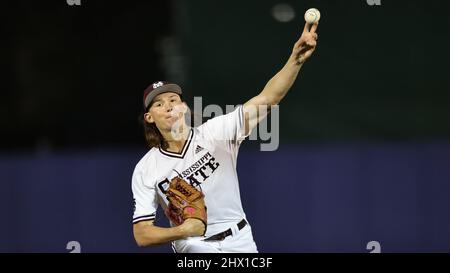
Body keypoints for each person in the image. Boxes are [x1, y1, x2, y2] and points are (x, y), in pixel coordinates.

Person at [131, 21, 319, 253]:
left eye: (173, 100)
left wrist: (296, 60)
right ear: (150, 117)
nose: (168, 106)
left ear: (185, 107)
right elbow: (142, 234)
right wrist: (183, 230)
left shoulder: (216, 132)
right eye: (159, 104)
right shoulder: (146, 168)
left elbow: (267, 99)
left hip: (240, 239)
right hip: (193, 245)